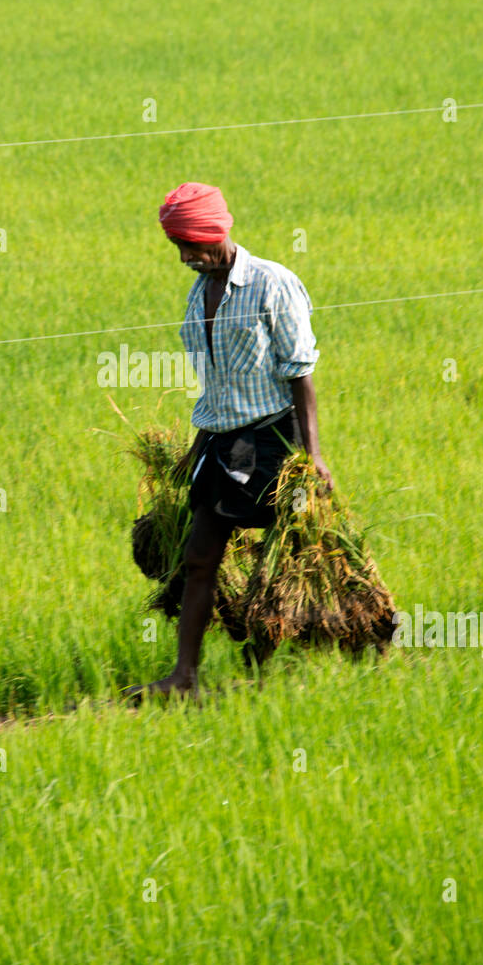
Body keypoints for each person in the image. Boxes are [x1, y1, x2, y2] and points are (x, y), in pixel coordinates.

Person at [126, 181, 333, 701]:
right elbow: (216, 385)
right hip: (221, 442)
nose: (184, 258)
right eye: (178, 247)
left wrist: (312, 455)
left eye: (190, 244)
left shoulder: (272, 284)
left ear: (213, 231)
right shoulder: (200, 292)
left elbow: (300, 374)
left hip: (272, 442)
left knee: (280, 560)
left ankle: (266, 670)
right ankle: (184, 678)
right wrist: (197, 450)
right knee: (200, 558)